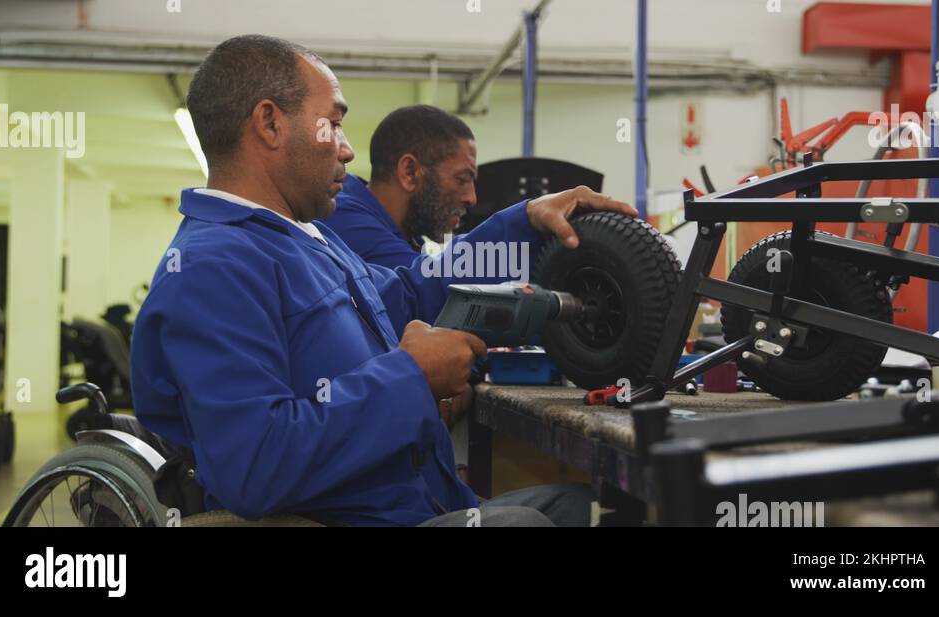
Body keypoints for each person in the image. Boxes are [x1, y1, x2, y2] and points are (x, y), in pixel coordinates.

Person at [130, 34, 635, 527]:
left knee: (576, 507)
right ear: (270, 124)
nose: (348, 152)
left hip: (417, 501)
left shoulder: (306, 239)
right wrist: (412, 377)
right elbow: (255, 465)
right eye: (333, 124)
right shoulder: (213, 270)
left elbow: (412, 293)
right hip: (357, 516)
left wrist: (524, 221)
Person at [326, 104, 477, 270]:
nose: (471, 198)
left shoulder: (409, 238)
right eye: (461, 180)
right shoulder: (347, 222)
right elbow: (426, 289)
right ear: (410, 172)